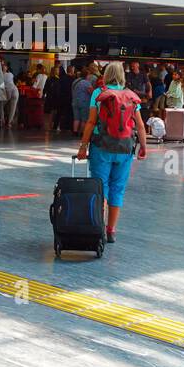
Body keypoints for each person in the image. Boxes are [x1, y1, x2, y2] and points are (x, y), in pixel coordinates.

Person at [76, 61, 148, 246]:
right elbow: (140, 125)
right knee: (118, 189)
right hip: (125, 149)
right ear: (123, 76)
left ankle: (98, 227)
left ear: (106, 75)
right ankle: (111, 231)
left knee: (101, 188)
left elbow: (91, 122)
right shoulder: (130, 96)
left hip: (101, 147)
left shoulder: (98, 94)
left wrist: (83, 146)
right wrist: (143, 146)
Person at [0, 62, 19, 129]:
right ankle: (9, 123)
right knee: (13, 107)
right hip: (15, 90)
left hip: (8, 91)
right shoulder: (10, 74)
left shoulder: (0, 75)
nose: (3, 67)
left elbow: (1, 86)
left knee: (1, 105)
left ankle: (2, 121)